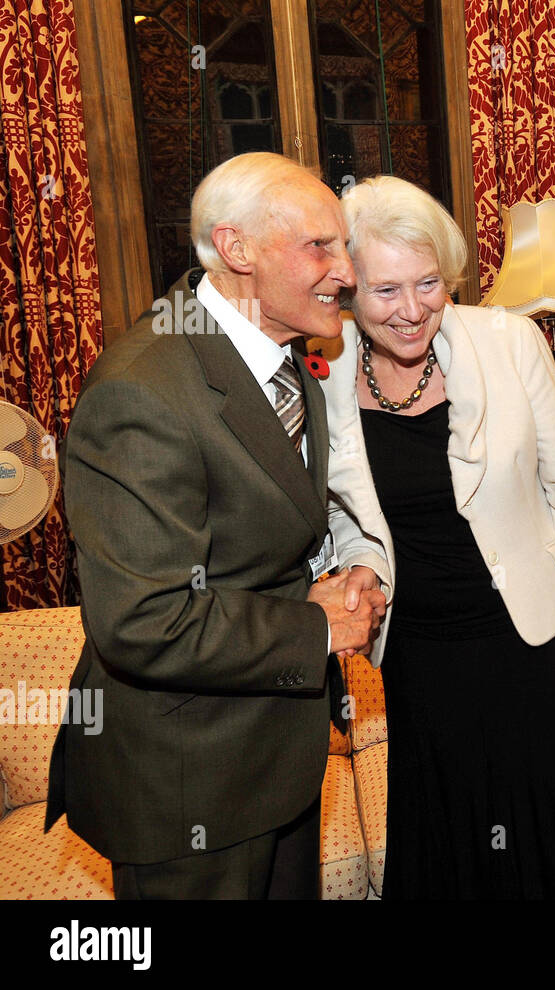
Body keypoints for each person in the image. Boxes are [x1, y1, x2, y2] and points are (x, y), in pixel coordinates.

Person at [45, 152, 390, 899]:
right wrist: (317, 628)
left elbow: (267, 524)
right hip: (187, 783)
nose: (349, 275)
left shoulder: (287, 358)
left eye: (346, 248)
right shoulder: (142, 390)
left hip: (277, 763)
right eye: (320, 248)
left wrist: (348, 565)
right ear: (236, 250)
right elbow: (142, 619)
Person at [320, 174, 555, 899]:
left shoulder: (509, 341)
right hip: (420, 654)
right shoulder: (319, 374)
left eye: (428, 284)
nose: (412, 311)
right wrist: (347, 575)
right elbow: (324, 515)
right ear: (348, 288)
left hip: (531, 640)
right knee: (459, 839)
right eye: (385, 291)